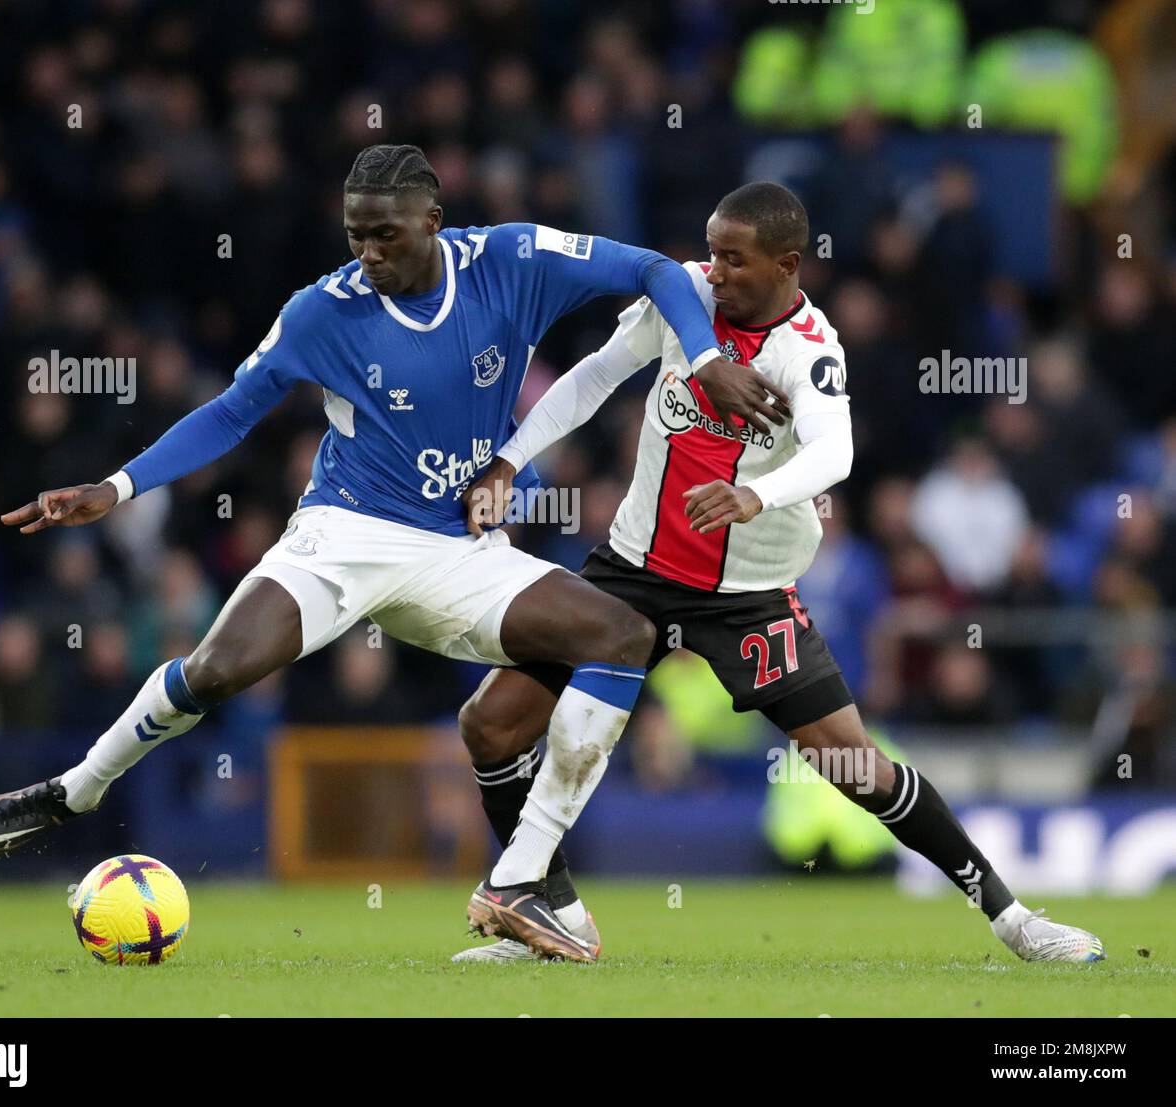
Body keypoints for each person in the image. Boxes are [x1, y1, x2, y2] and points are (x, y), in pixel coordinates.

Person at [0, 145, 789, 963]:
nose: (368, 253)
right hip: (345, 533)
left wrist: (708, 361)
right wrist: (118, 486)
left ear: (434, 220)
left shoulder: (511, 260)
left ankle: (533, 878)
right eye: (355, 234)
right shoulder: (323, 310)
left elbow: (655, 268)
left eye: (386, 234)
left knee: (620, 635)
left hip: (459, 546)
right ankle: (78, 787)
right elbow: (232, 412)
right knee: (217, 669)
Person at [454, 182, 1105, 965]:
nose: (715, 270)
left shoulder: (810, 348)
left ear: (787, 264)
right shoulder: (684, 296)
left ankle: (1014, 918)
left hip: (745, 597)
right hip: (630, 569)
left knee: (855, 767)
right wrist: (510, 460)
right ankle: (550, 912)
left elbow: (838, 452)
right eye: (712, 250)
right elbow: (596, 374)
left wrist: (753, 493)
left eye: (734, 257)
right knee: (490, 722)